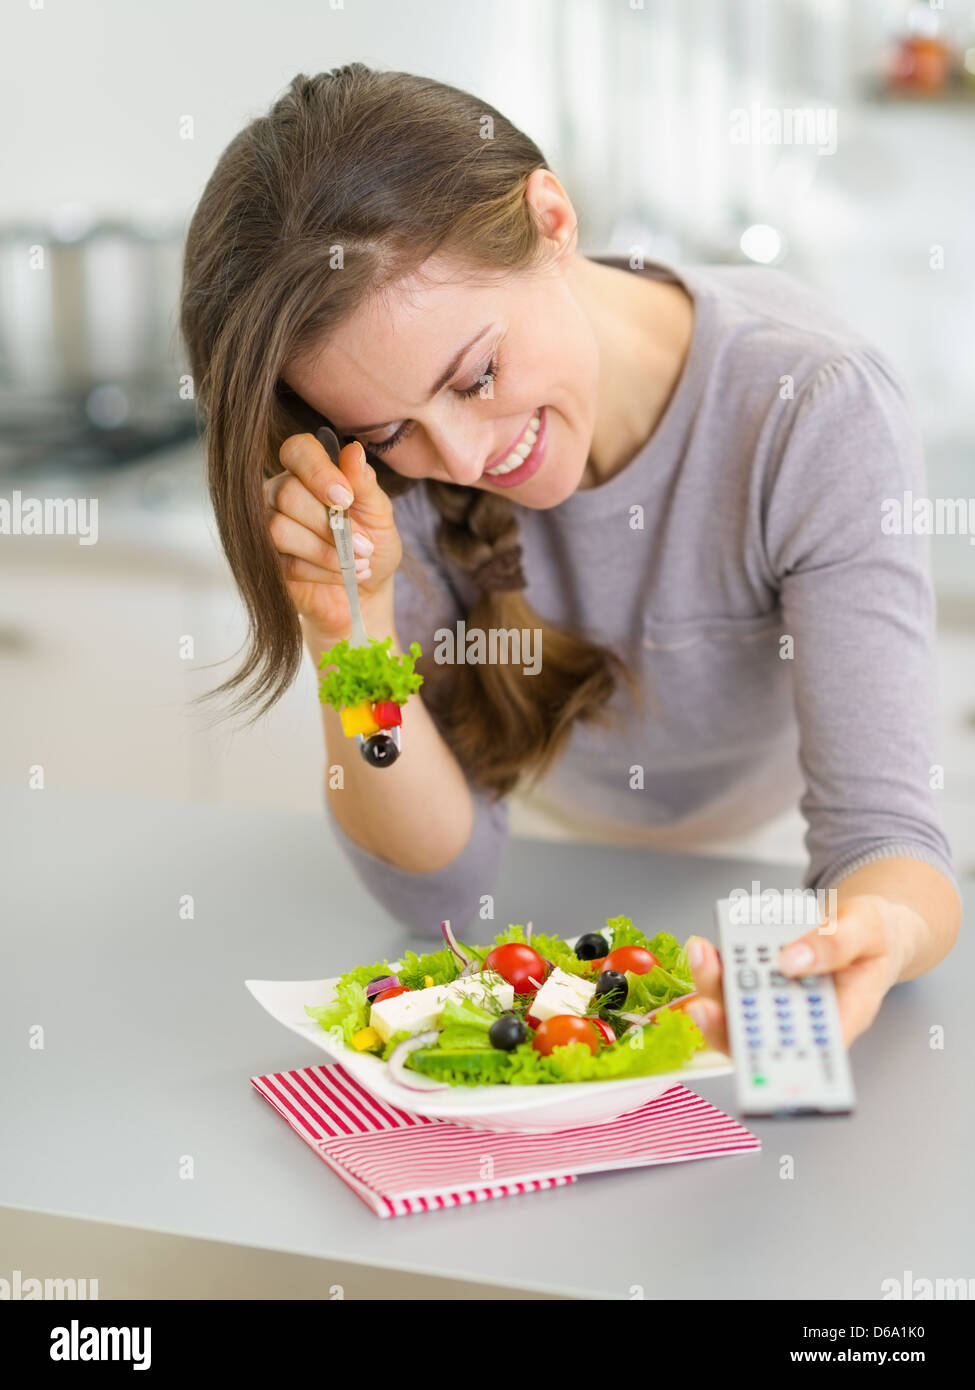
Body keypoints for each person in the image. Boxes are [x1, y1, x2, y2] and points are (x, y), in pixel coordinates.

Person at [179, 64, 961, 1055]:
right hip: (536, 894)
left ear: (551, 219)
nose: (462, 458)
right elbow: (438, 887)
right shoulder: (387, 478)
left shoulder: (813, 405)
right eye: (392, 429)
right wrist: (353, 631)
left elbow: (889, 849)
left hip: (773, 884)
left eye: (477, 376)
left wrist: (876, 927)